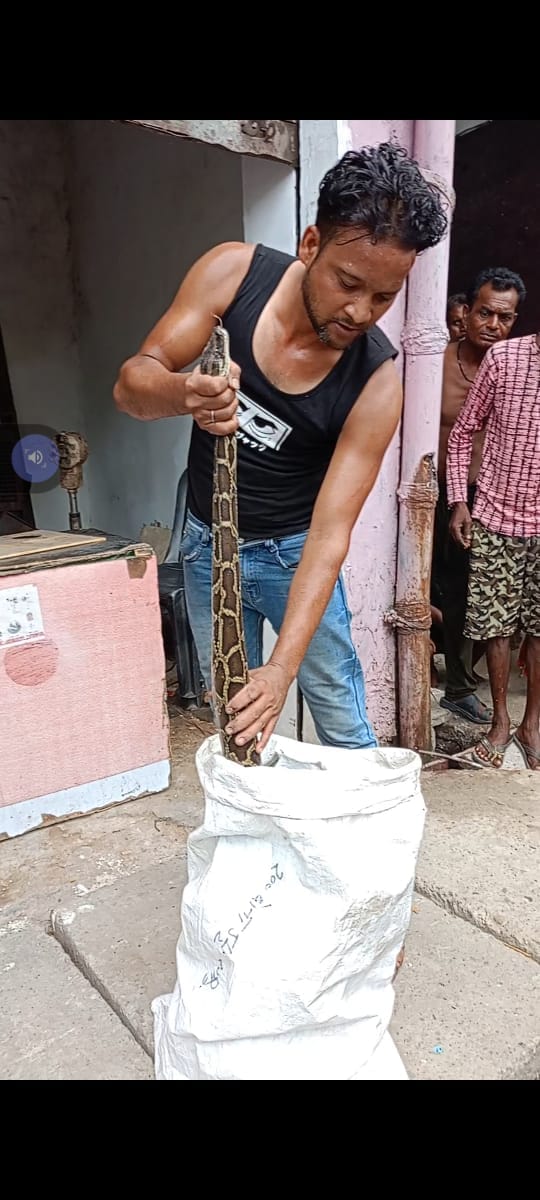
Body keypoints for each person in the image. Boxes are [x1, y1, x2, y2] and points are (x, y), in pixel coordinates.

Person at [114, 142, 447, 753]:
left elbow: (330, 536)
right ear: (310, 244)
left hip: (296, 552)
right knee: (231, 717)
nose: (360, 312)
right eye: (349, 283)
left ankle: (357, 842)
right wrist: (184, 392)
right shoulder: (231, 273)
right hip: (206, 540)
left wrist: (282, 668)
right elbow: (132, 385)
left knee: (341, 721)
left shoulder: (376, 385)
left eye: (383, 297)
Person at [434, 267, 526, 725]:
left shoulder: (516, 368)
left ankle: (466, 684)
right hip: (441, 489)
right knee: (447, 587)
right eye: (485, 313)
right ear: (466, 313)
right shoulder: (434, 363)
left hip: (496, 496)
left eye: (504, 318)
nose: (493, 325)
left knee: (480, 593)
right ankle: (454, 681)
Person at [446, 332, 540, 769]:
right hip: (497, 517)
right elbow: (462, 432)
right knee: (495, 624)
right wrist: (458, 500)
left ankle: (532, 726)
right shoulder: (504, 357)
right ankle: (500, 722)